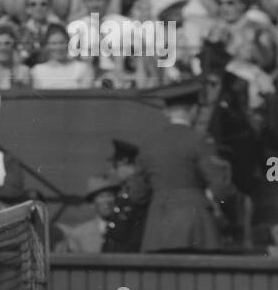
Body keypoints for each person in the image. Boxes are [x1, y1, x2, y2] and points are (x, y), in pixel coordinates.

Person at [137, 80, 232, 254]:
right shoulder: (200, 140)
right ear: (194, 109)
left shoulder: (149, 144)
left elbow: (138, 190)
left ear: (167, 112)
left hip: (157, 229)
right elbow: (220, 184)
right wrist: (215, 203)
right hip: (196, 227)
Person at [102, 139, 151, 254]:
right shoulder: (126, 189)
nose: (113, 171)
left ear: (125, 163)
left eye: (116, 166)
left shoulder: (137, 190)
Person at [55, 176, 120, 254]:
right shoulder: (78, 234)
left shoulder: (128, 230)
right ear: (92, 203)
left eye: (110, 195)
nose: (107, 201)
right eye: (101, 196)